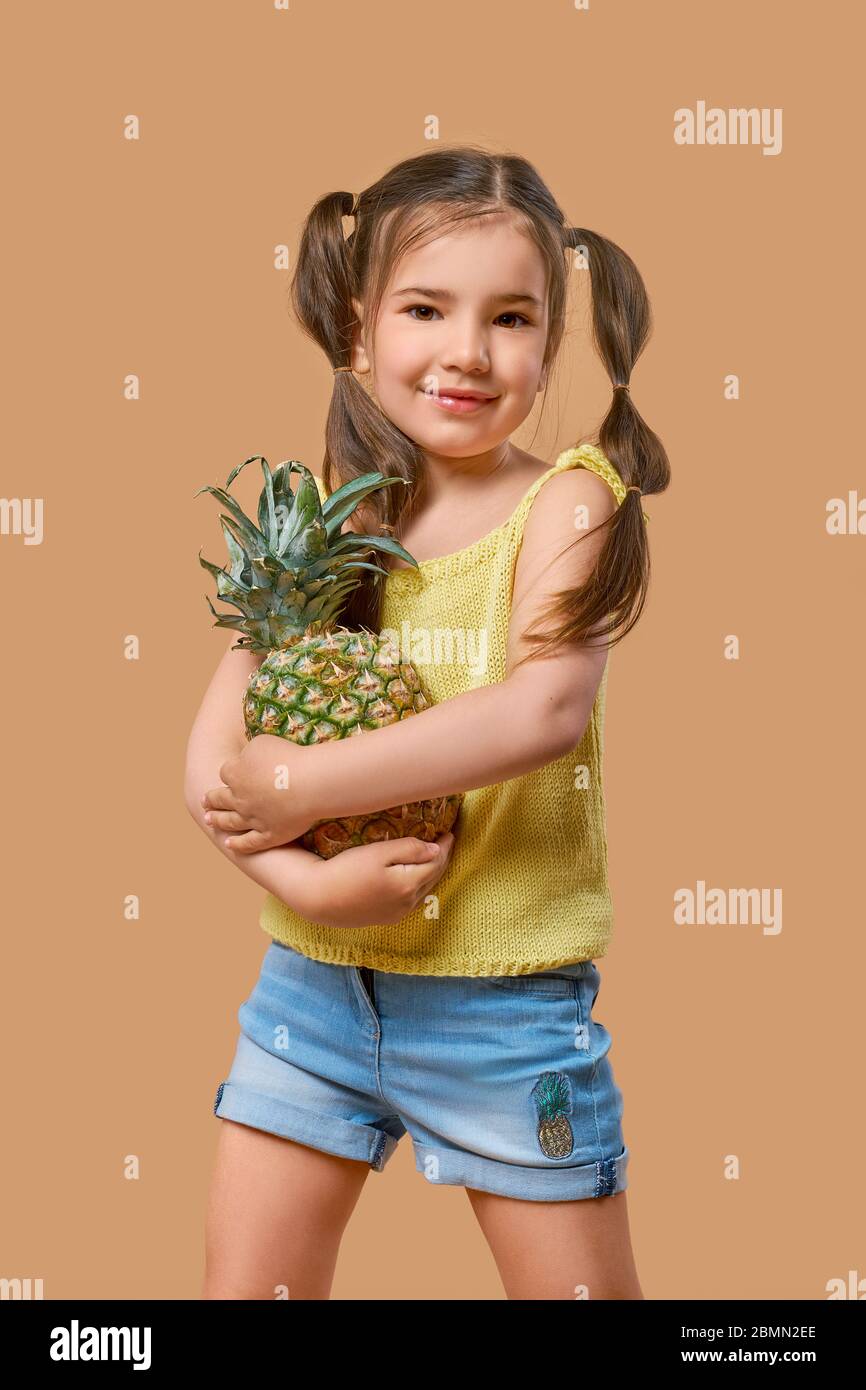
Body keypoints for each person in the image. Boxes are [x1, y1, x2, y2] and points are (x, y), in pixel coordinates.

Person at [185, 144, 670, 1300]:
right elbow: (221, 747)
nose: (465, 351)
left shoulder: (567, 501)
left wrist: (303, 789)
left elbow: (542, 709)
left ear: (550, 344)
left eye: (510, 318)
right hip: (312, 983)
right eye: (422, 308)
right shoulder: (334, 516)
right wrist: (303, 885)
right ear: (358, 332)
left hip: (499, 1004)